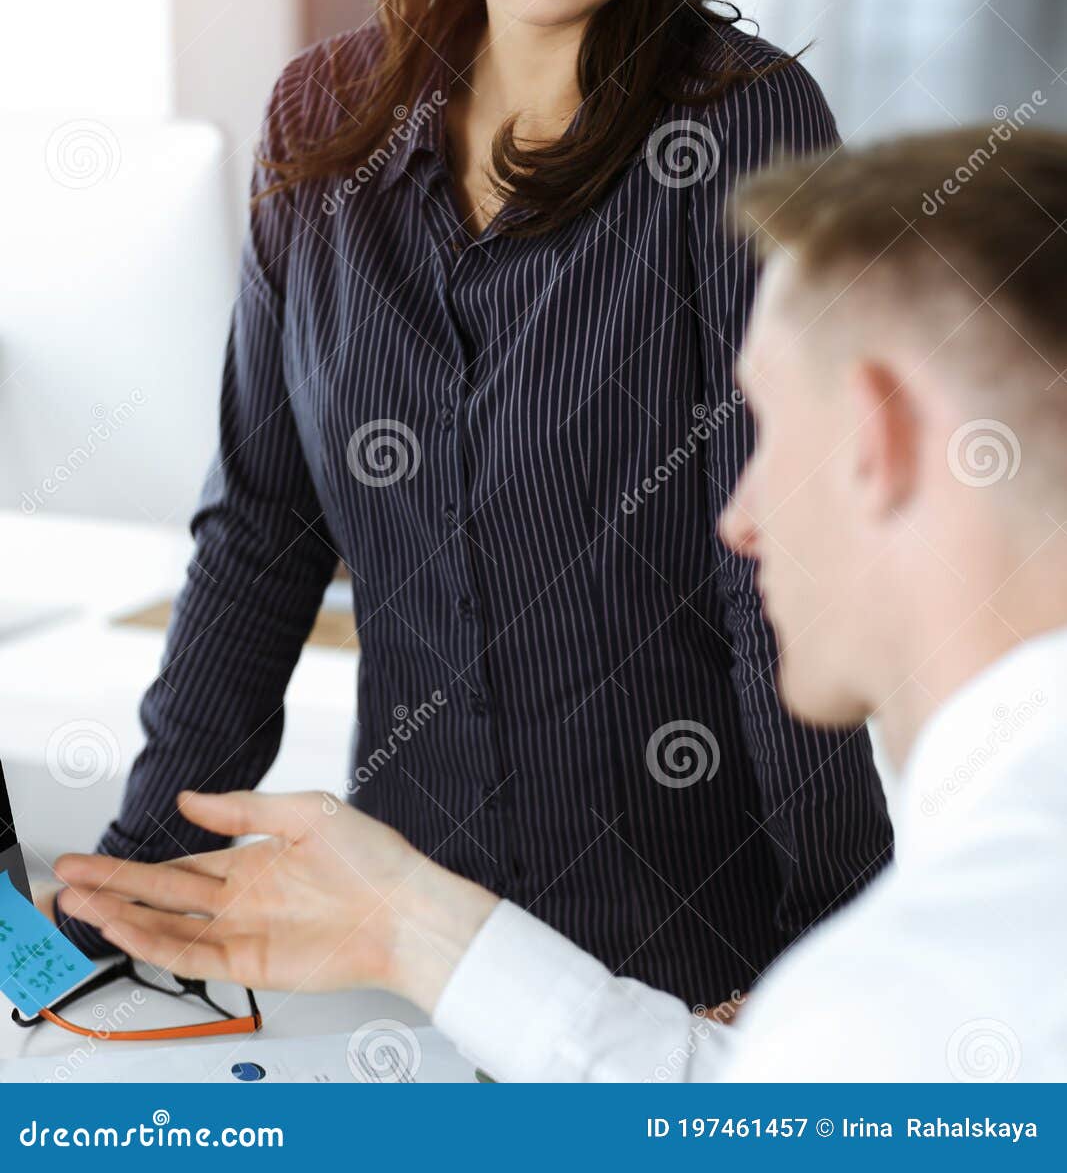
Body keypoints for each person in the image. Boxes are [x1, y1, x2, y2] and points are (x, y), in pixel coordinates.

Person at [46, 0, 893, 1009]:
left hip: (684, 958)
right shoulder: (317, 123)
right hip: (406, 944)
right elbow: (260, 530)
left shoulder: (743, 126)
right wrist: (139, 872)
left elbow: (783, 573)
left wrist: (844, 963)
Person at [57, 124, 1067, 1083]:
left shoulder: (924, 985)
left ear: (875, 439)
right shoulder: (946, 983)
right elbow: (775, 1104)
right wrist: (406, 920)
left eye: (763, 427)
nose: (738, 519)